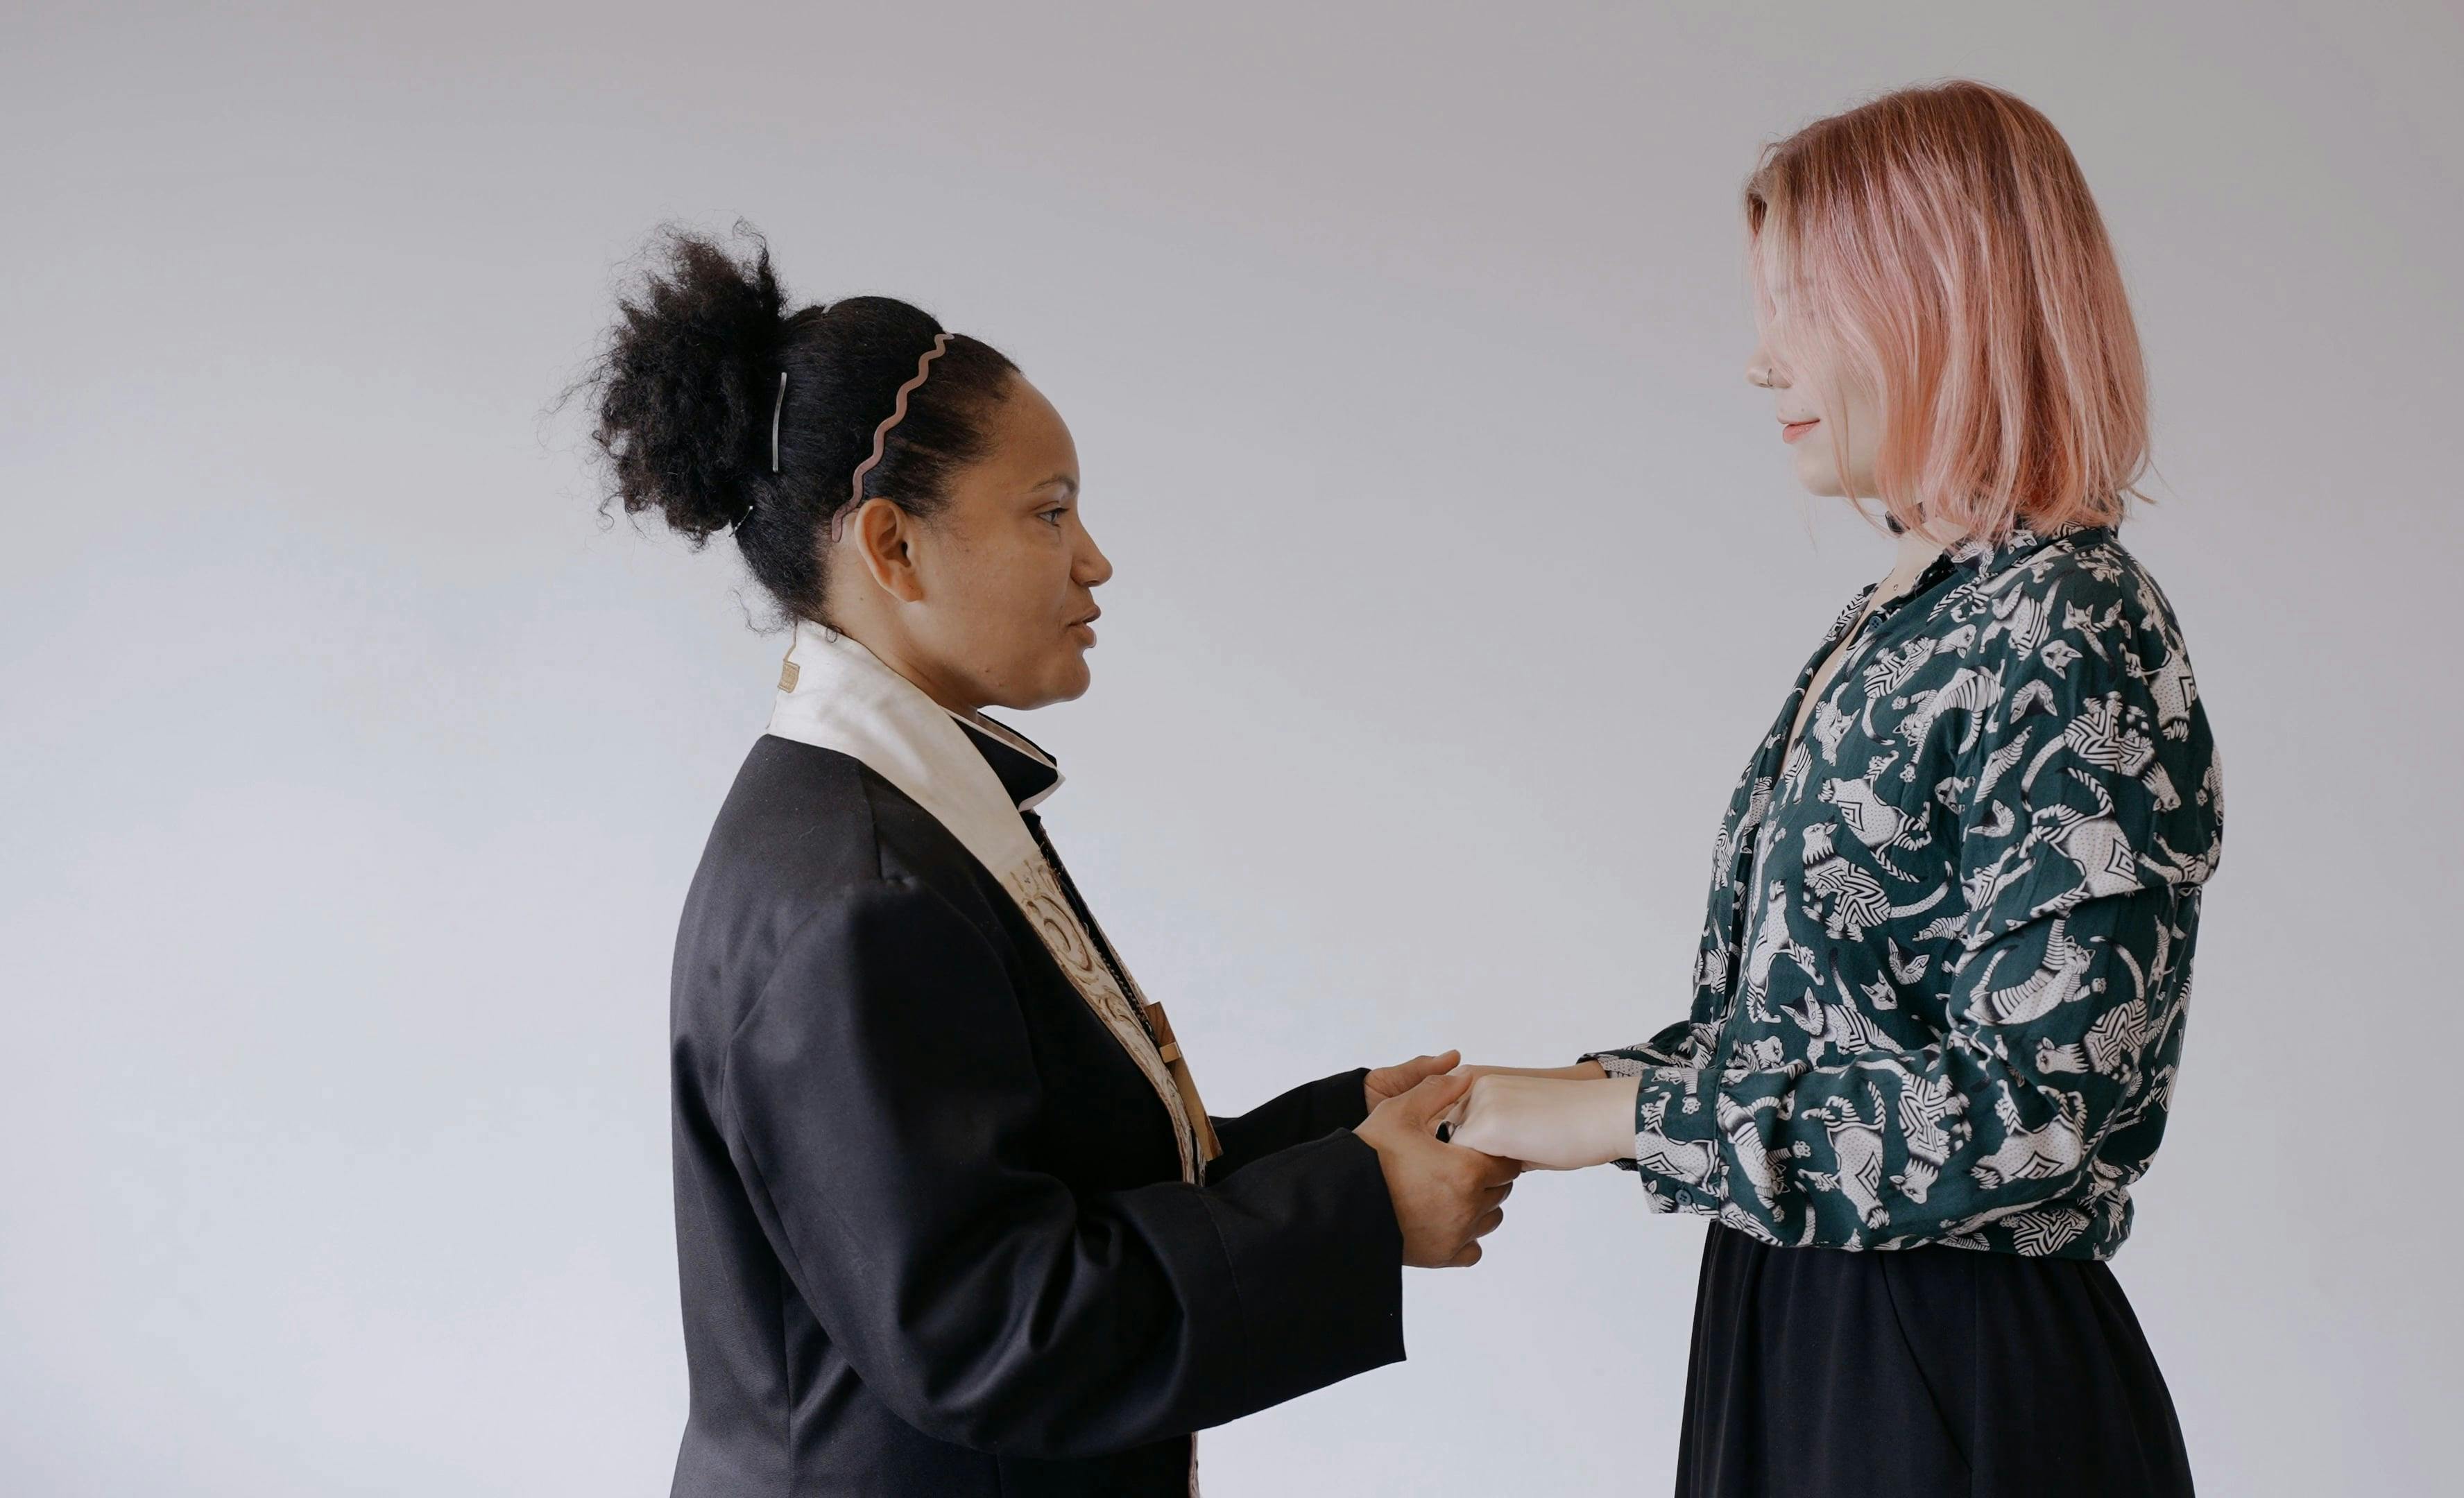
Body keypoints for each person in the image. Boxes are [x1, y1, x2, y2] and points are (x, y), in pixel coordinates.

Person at [581, 228, 1518, 1498]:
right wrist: (1356, 1211)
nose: (1095, 560)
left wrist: (1346, 1133)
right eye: (1049, 511)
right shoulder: (857, 893)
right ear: (892, 547)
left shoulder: (900, 815)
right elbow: (988, 1330)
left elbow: (1045, 1193)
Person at [1447, 82, 2221, 1497]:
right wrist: (1528, 1096)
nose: (1760, 362)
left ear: (1937, 304)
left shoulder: (2068, 621)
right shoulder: (1921, 610)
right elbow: (1816, 1035)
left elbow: (2029, 1114)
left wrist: (1617, 1119)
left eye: (1800, 305)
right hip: (1803, 1328)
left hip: (1939, 1370)